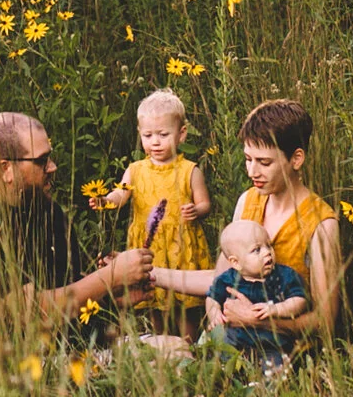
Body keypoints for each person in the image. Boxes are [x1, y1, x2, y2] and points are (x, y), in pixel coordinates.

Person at [146, 98, 342, 347]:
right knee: (164, 348)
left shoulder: (321, 224)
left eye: (264, 162)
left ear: (296, 158)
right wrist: (149, 273)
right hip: (229, 343)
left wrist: (258, 321)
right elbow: (220, 278)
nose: (252, 172)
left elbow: (325, 322)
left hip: (281, 352)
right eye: (248, 159)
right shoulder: (248, 201)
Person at [0, 111, 151, 339]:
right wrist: (110, 277)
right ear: (5, 169)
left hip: (84, 342)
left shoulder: (44, 207)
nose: (52, 167)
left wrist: (112, 296)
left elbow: (68, 285)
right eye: (41, 161)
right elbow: (27, 312)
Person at [93, 88, 212, 329]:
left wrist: (197, 211)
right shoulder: (135, 170)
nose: (155, 142)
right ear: (140, 134)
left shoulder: (190, 171)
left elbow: (205, 204)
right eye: (148, 135)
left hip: (181, 246)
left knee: (185, 306)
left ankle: (189, 344)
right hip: (149, 246)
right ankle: (160, 343)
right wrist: (106, 200)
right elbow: (121, 194)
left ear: (181, 134)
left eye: (163, 134)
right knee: (153, 300)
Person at [198, 218, 310, 372]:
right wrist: (215, 315)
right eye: (257, 250)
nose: (267, 252)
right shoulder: (228, 280)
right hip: (234, 342)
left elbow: (300, 300)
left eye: (268, 246)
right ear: (236, 262)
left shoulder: (284, 276)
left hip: (271, 345)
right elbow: (212, 298)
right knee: (221, 358)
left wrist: (277, 309)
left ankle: (270, 384)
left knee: (275, 369)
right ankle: (224, 377)